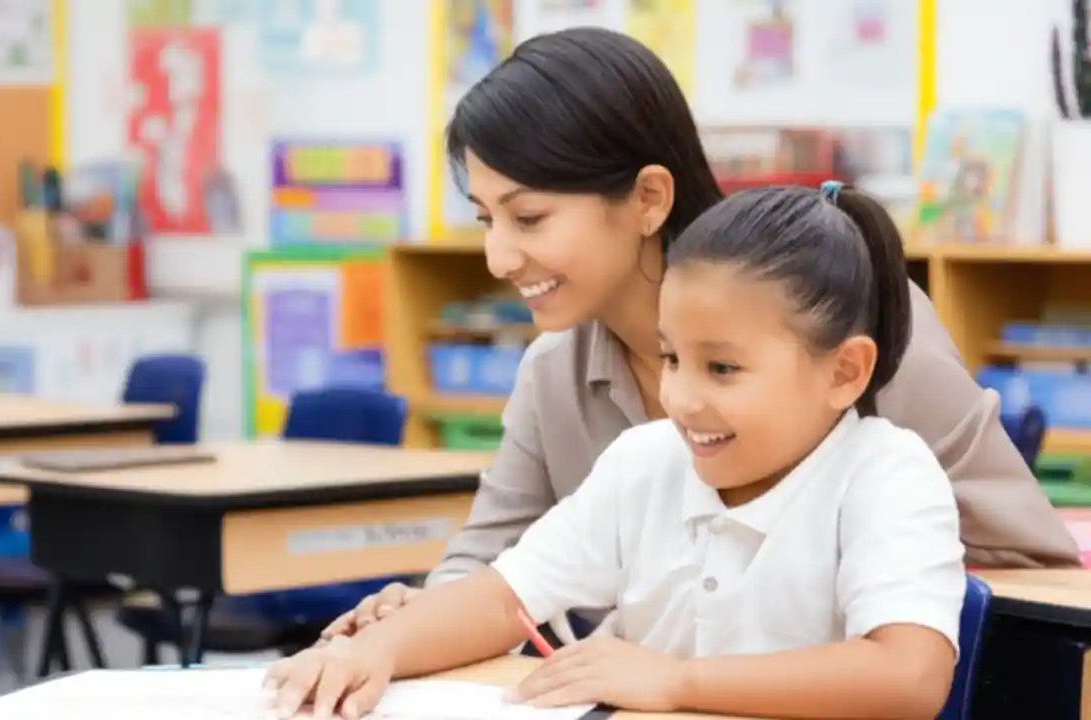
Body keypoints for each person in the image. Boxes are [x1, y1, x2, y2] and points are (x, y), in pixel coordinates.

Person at [322, 26, 1077, 642]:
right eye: (486, 219)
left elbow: (1035, 567)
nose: (498, 257)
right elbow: (489, 567)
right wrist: (411, 620)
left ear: (648, 198)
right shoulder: (553, 372)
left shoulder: (842, 317)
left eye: (529, 218)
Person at [266, 183, 966, 719]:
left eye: (722, 369)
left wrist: (674, 680)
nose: (683, 398)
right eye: (670, 358)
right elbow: (504, 598)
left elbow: (910, 677)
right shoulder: (646, 461)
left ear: (844, 371)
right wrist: (374, 649)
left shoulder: (885, 475)